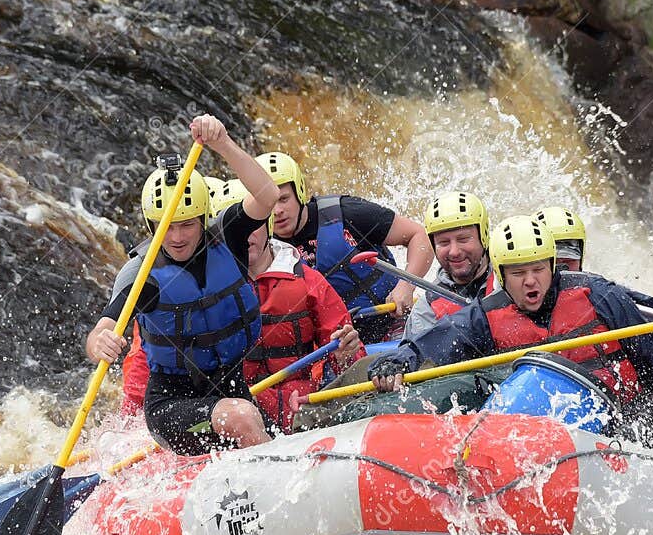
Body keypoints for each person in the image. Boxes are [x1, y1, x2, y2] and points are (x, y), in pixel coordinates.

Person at [370, 215, 653, 445]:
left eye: (538, 269)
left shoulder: (599, 295)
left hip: (626, 419)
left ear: (552, 266)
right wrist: (400, 360)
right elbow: (436, 342)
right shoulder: (486, 314)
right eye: (518, 273)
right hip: (539, 431)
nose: (530, 281)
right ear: (501, 275)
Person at [86, 115, 278, 454]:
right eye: (166, 226)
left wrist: (223, 144)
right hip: (172, 409)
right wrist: (99, 342)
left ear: (203, 218)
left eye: (186, 224)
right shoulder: (142, 274)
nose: (176, 237)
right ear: (151, 224)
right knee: (243, 417)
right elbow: (102, 329)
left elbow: (268, 194)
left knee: (252, 417)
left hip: (232, 390)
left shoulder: (228, 238)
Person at [122, 181, 363, 425]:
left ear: (267, 225)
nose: (244, 237)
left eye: (252, 227)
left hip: (301, 409)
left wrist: (344, 355)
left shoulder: (308, 282)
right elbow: (142, 372)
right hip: (234, 412)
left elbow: (346, 359)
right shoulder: (175, 296)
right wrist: (130, 421)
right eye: (233, 233)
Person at [534, 205, 653, 388]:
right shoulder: (515, 305)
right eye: (553, 262)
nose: (562, 270)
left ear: (581, 257)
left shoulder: (609, 299)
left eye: (568, 259)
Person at [255, 150, 433, 344]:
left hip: (391, 322)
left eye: (283, 199)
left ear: (299, 192)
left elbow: (420, 236)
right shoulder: (258, 246)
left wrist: (406, 286)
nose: (277, 211)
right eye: (269, 203)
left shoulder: (347, 212)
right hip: (333, 344)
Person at [404, 190, 497, 343]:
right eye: (444, 243)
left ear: (484, 237)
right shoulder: (426, 310)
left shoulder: (514, 279)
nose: (454, 252)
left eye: (463, 239)